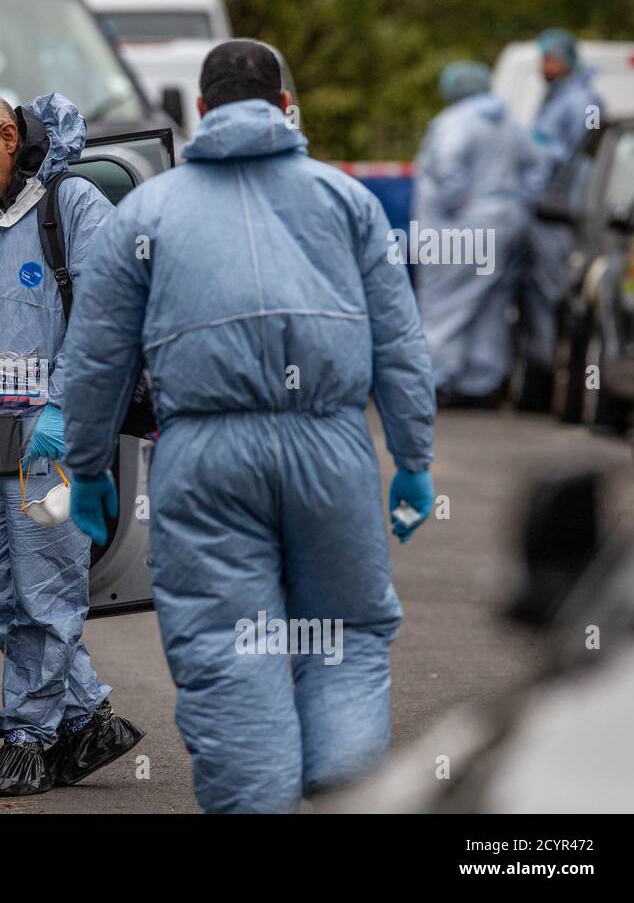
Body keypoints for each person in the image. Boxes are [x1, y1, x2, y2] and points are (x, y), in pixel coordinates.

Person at [60, 40, 437, 813]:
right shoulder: (346, 201)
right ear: (285, 105)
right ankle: (341, 785)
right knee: (346, 633)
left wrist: (89, 464)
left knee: (231, 645)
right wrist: (412, 456)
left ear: (201, 110)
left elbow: (96, 357)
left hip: (205, 454)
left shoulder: (149, 212)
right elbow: (399, 341)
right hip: (329, 445)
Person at [0, 90, 143, 798]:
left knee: (46, 586)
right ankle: (89, 716)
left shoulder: (74, 209)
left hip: (42, 440)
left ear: (8, 135)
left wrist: (64, 411)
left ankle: (29, 735)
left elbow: (106, 325)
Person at [413, 60, 538, 406]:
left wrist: (457, 206)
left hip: (461, 229)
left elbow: (446, 169)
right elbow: (537, 165)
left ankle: (438, 379)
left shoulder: (455, 122)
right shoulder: (510, 123)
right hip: (505, 224)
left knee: (446, 305)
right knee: (490, 305)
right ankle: (481, 383)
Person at [518, 28, 604, 409]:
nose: (543, 67)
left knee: (558, 300)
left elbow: (587, 162)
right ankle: (537, 383)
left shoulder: (584, 102)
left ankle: (556, 391)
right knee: (538, 299)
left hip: (562, 217)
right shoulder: (556, 99)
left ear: (565, 60)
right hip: (543, 213)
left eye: (549, 59)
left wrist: (569, 202)